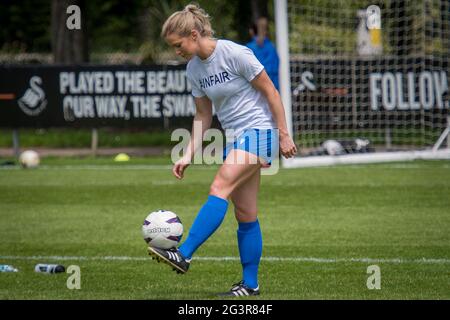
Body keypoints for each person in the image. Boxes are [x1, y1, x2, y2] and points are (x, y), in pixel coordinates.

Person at [148, 3, 297, 297]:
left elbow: (271, 91)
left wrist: (283, 135)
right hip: (235, 138)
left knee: (219, 186)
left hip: (260, 131)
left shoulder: (234, 53)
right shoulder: (193, 69)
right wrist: (189, 153)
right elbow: (203, 115)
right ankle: (250, 285)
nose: (177, 51)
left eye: (178, 45)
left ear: (194, 34)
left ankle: (184, 253)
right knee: (245, 213)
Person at [246, 16, 280, 90]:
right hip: (272, 88)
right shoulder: (271, 47)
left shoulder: (248, 48)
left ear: (251, 31)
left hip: (255, 89)